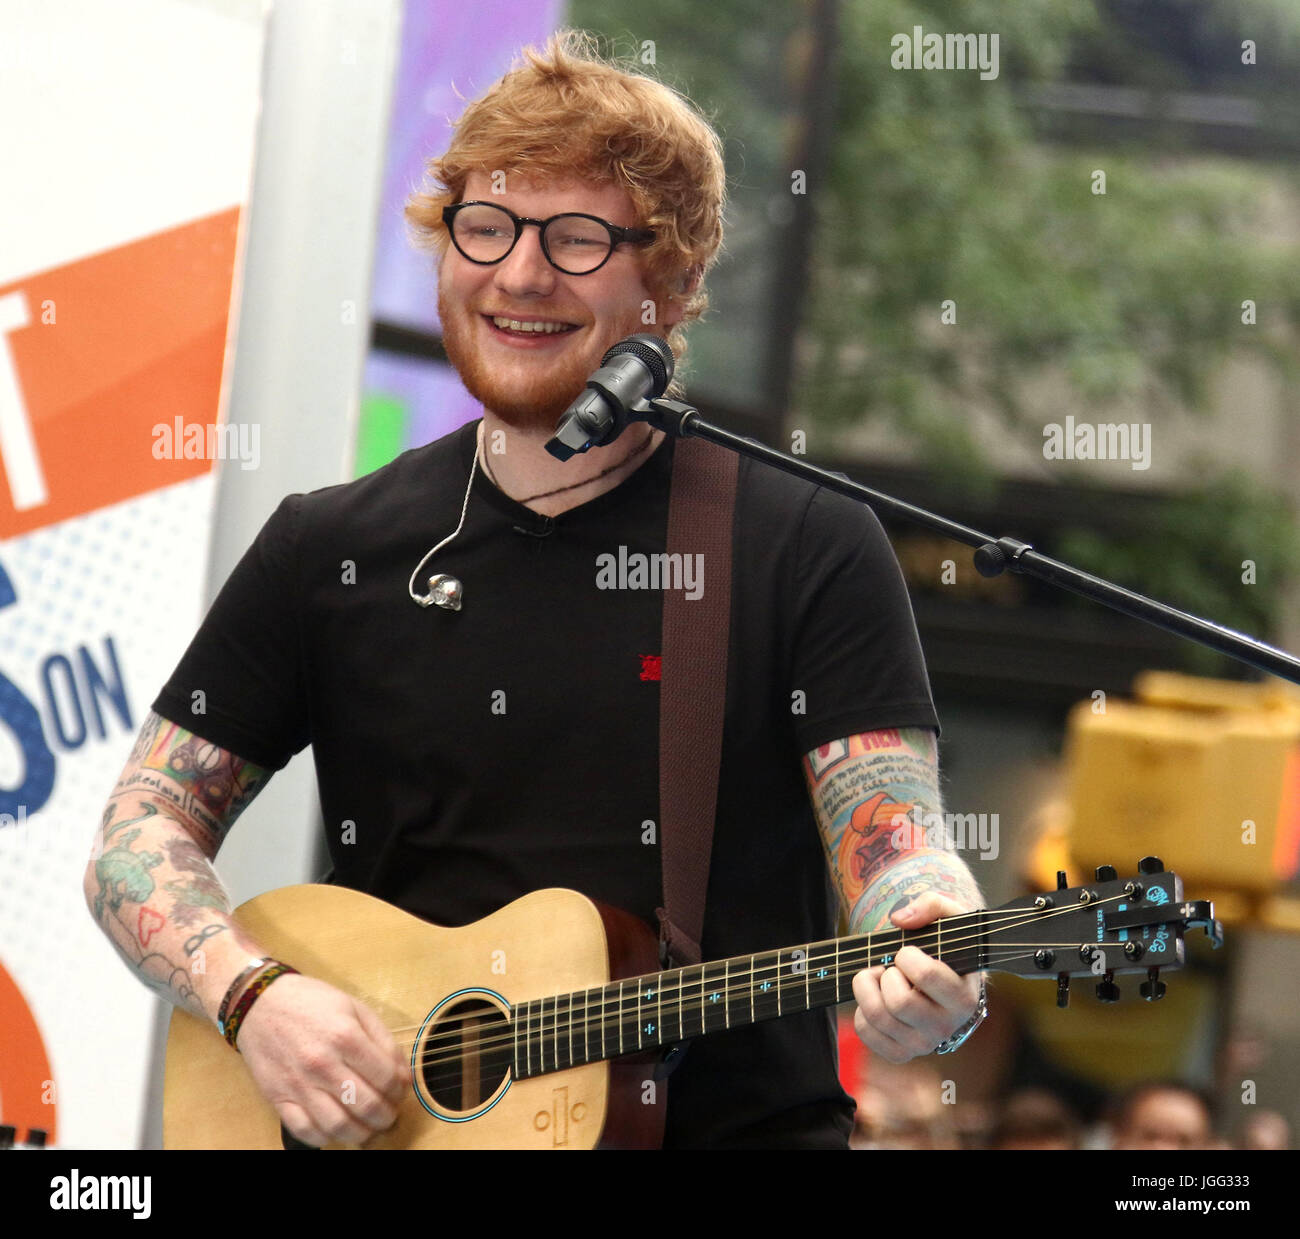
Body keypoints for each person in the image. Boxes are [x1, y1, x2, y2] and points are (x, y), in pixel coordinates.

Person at [83, 30, 983, 1150]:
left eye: (576, 238)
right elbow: (137, 830)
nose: (518, 273)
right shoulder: (332, 546)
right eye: (487, 227)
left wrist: (928, 949)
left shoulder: (803, 540)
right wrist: (253, 996)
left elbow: (896, 847)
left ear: (675, 278)